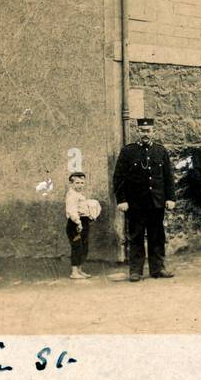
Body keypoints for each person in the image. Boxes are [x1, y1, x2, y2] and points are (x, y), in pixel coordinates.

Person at [112, 118, 176, 281]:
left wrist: (170, 197)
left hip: (156, 202)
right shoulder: (128, 151)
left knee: (157, 236)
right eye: (142, 131)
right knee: (136, 236)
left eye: (148, 131)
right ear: (138, 132)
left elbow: (168, 177)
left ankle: (158, 269)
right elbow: (118, 178)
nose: (145, 134)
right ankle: (136, 271)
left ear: (153, 132)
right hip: (136, 204)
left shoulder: (160, 151)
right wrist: (122, 200)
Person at [63, 172, 100, 279]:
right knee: (77, 246)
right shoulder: (72, 195)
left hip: (83, 223)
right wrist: (78, 222)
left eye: (82, 183)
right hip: (75, 225)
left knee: (83, 246)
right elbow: (71, 210)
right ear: (71, 184)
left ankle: (79, 270)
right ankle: (74, 272)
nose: (80, 185)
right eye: (77, 183)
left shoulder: (79, 195)